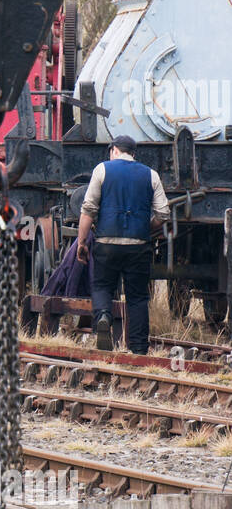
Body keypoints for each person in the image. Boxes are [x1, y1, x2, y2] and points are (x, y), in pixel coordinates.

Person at [76, 134, 169, 354]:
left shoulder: (102, 169)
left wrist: (82, 242)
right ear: (133, 153)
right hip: (138, 244)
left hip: (106, 242)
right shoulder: (151, 175)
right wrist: (147, 228)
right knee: (137, 297)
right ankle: (138, 349)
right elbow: (163, 213)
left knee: (102, 287)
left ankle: (104, 318)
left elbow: (88, 209)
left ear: (114, 150)